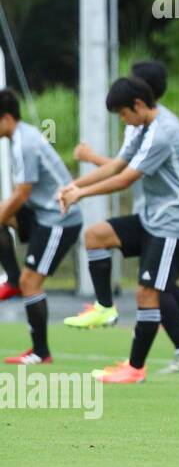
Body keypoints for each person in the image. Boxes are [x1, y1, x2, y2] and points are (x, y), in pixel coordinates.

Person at [66, 59, 179, 370]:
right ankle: (105, 308)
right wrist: (73, 186)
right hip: (152, 218)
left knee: (150, 291)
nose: (124, 121)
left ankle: (145, 364)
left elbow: (125, 177)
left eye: (124, 114)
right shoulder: (146, 126)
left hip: (171, 224)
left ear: (139, 100)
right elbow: (117, 166)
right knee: (96, 236)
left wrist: (82, 192)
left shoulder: (161, 131)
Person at [0, 89, 82, 365]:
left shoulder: (24, 143)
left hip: (59, 220)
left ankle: (40, 352)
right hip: (41, 214)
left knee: (31, 282)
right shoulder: (20, 136)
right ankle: (12, 280)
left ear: (7, 118)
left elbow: (22, 194)